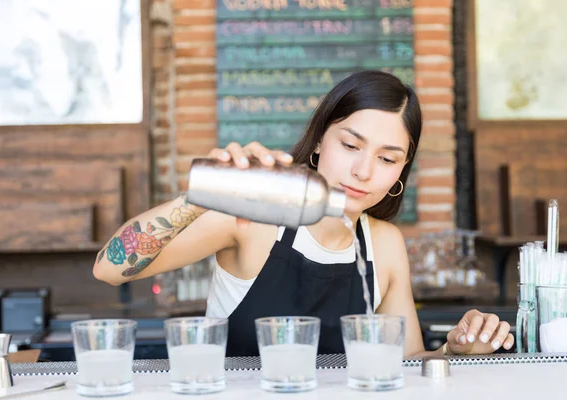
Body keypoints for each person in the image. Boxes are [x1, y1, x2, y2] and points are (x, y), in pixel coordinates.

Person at [93, 70, 514, 357]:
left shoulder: (383, 244)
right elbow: (110, 270)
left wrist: (455, 351)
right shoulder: (254, 220)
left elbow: (405, 365)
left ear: (402, 170)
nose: (363, 171)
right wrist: (202, 196)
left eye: (388, 158)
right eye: (350, 146)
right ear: (318, 143)